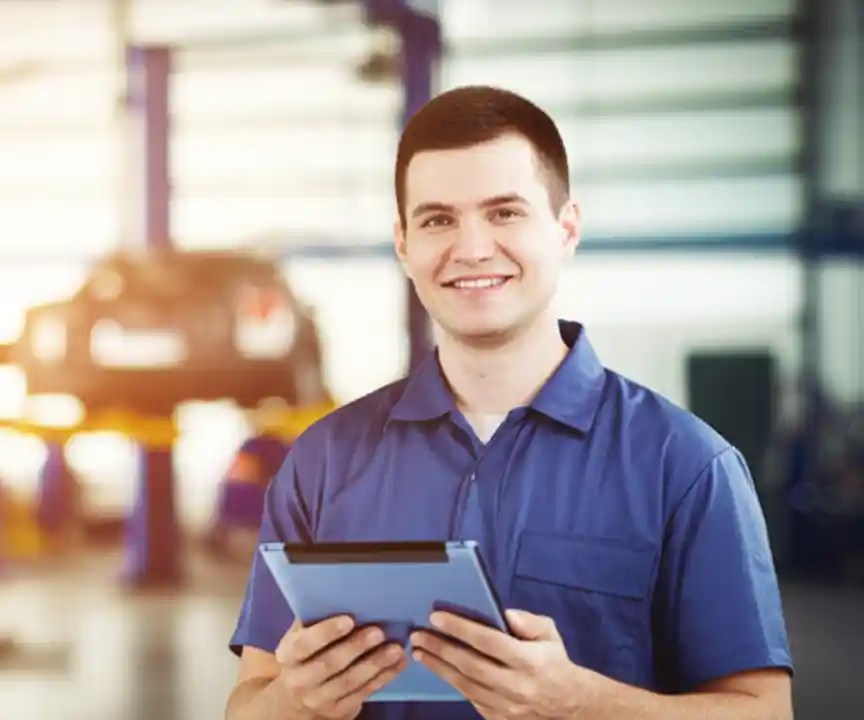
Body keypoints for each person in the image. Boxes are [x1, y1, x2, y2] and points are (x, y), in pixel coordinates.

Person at [224, 85, 793, 720]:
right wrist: (295, 701)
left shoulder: (686, 466)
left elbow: (762, 711)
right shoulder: (322, 462)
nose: (470, 249)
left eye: (505, 212)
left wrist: (580, 703)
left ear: (567, 228)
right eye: (438, 219)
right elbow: (248, 703)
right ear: (403, 244)